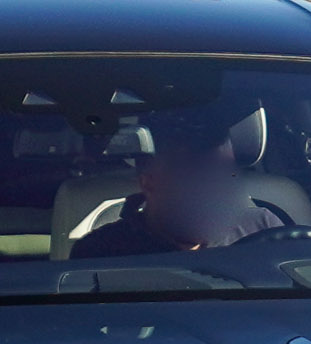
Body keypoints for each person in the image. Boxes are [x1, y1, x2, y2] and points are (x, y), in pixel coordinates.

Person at [71, 110, 283, 258]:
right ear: (150, 184)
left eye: (223, 175)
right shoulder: (101, 252)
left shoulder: (263, 230)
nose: (213, 191)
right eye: (196, 179)